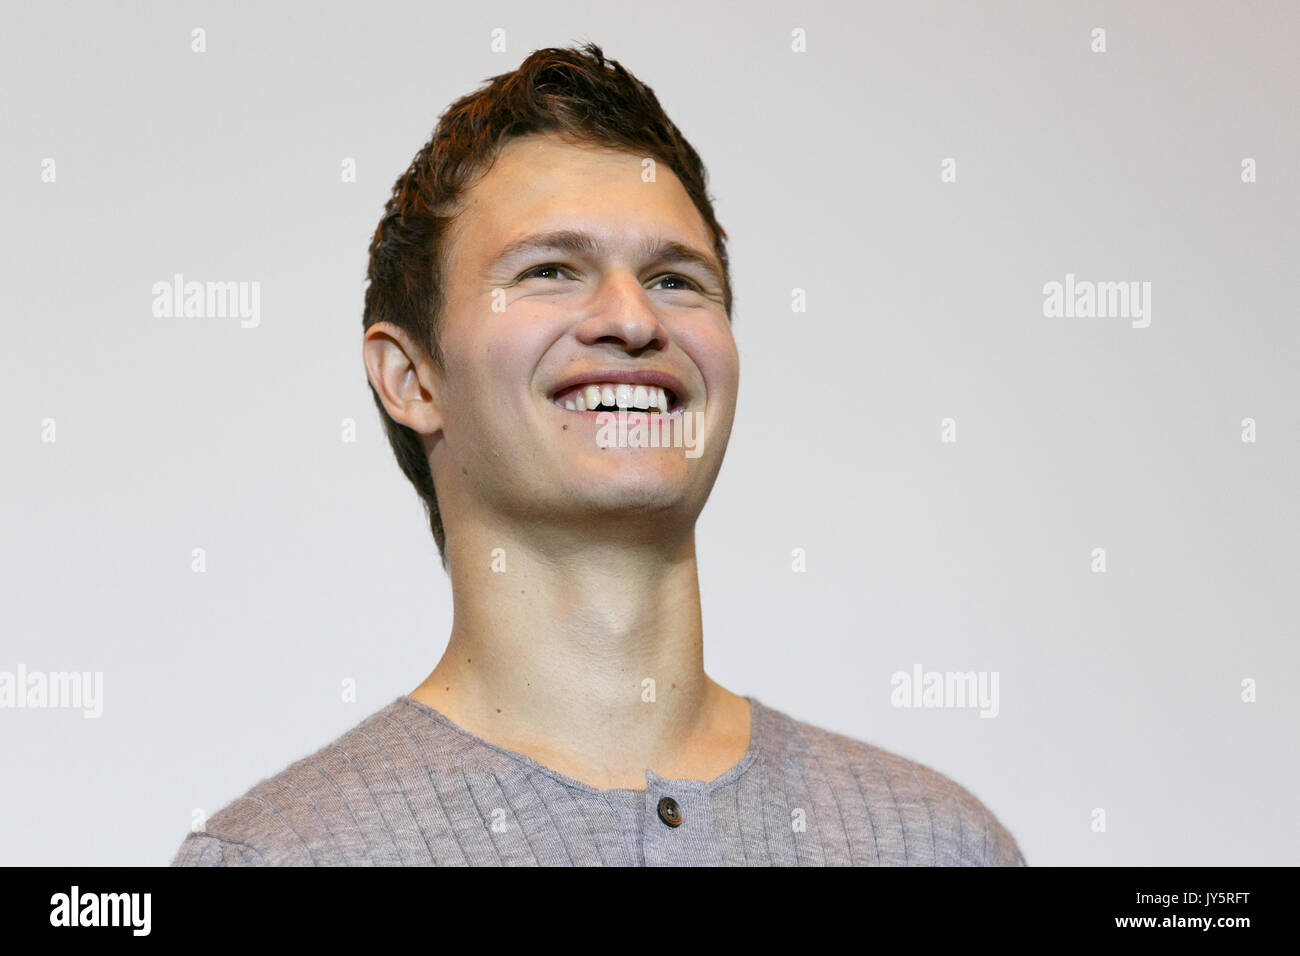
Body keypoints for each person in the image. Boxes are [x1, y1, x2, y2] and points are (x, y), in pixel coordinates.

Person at [170, 42, 1026, 867]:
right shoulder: (280, 858)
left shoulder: (940, 845)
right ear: (412, 379)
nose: (633, 319)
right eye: (550, 269)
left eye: (676, 280)